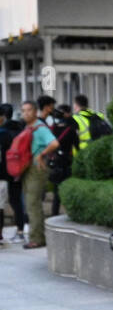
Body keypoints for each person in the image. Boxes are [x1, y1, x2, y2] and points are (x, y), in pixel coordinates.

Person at [18, 100, 59, 248]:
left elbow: (54, 143)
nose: (25, 113)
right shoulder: (28, 127)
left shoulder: (40, 128)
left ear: (35, 111)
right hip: (28, 169)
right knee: (30, 204)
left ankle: (36, 239)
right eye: (23, 111)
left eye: (28, 110)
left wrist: (41, 155)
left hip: (37, 169)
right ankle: (38, 236)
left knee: (33, 203)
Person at [0, 104, 26, 243]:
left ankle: (0, 234)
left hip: (3, 173)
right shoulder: (20, 128)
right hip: (18, 171)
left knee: (1, 205)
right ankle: (20, 231)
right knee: (17, 202)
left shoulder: (2, 132)